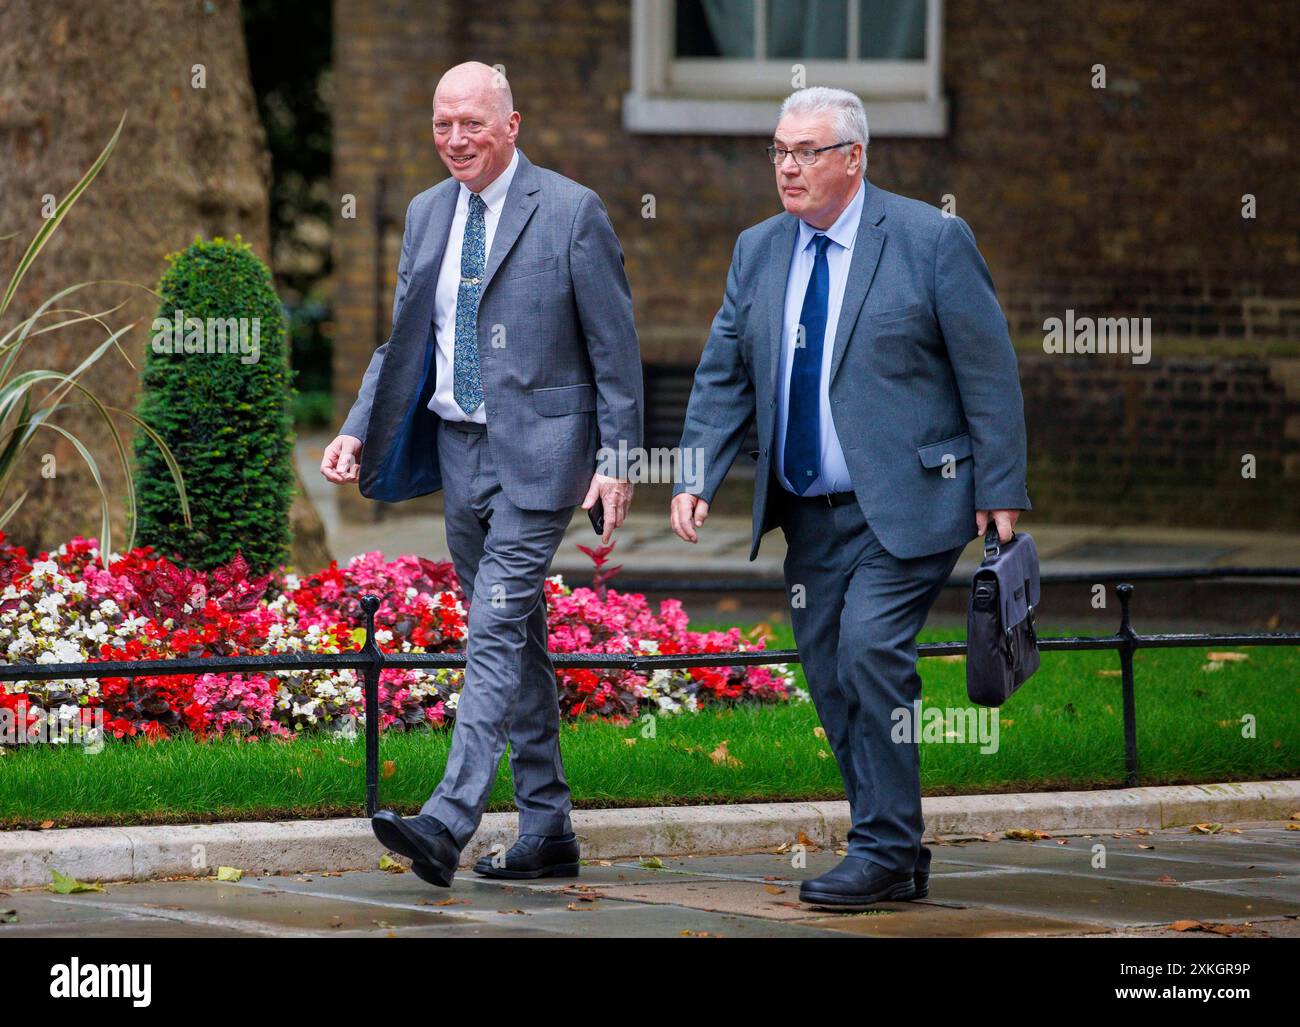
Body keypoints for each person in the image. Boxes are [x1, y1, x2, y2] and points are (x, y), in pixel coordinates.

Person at [670, 86, 1030, 909]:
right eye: (779, 151)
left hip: (909, 500)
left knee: (870, 651)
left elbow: (987, 365)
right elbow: (724, 372)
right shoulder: (758, 249)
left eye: (806, 152)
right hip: (808, 514)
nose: (788, 167)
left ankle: (882, 848)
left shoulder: (928, 239)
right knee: (833, 676)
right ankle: (894, 846)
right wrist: (696, 472)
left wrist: (1001, 483)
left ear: (853, 158)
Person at [321, 61, 643, 887]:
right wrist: (357, 430)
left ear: (512, 124)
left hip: (542, 456)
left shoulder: (571, 211)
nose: (455, 139)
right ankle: (548, 827)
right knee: (520, 633)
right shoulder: (429, 213)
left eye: (471, 123)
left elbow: (616, 352)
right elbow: (402, 342)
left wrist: (617, 461)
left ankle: (447, 819)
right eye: (442, 124)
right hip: (459, 454)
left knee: (493, 626)